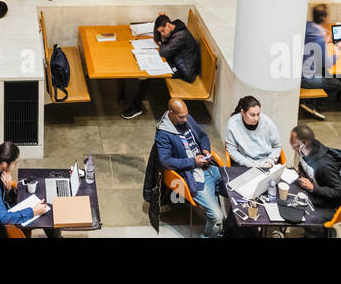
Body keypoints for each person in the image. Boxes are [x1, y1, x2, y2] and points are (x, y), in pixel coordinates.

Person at [156, 99, 226, 237]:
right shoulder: (163, 134)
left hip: (209, 168)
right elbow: (165, 161)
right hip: (194, 177)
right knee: (218, 217)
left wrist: (205, 149)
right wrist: (193, 162)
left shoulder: (186, 118)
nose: (185, 119)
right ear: (171, 113)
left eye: (186, 115)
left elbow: (202, 135)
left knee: (237, 192)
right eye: (181, 117)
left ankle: (229, 229)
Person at [289, 124, 341, 238]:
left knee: (308, 216)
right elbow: (303, 164)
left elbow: (338, 192)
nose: (293, 146)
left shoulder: (324, 165)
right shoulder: (306, 150)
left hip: (335, 202)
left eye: (295, 145)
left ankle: (323, 233)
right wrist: (301, 173)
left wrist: (313, 188)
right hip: (321, 189)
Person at [121, 13, 200, 119]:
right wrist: (161, 35)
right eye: (160, 31)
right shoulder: (175, 25)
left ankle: (136, 107)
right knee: (151, 72)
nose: (162, 34)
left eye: (162, 31)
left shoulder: (181, 36)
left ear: (168, 25)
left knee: (151, 76)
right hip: (177, 62)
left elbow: (164, 52)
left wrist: (163, 40)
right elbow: (158, 39)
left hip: (185, 71)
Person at [301, 4, 341, 119]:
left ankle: (311, 100)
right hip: (306, 78)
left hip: (298, 70)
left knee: (323, 72)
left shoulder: (307, 26)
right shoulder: (318, 38)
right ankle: (314, 107)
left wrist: (324, 38)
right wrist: (337, 52)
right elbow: (327, 63)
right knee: (336, 84)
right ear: (324, 18)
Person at [224, 96, 282, 169]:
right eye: (252, 115)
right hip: (245, 164)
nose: (256, 118)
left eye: (258, 114)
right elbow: (232, 150)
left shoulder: (267, 123)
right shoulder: (233, 123)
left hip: (266, 163)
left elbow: (277, 146)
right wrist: (250, 164)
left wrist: (270, 162)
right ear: (242, 113)